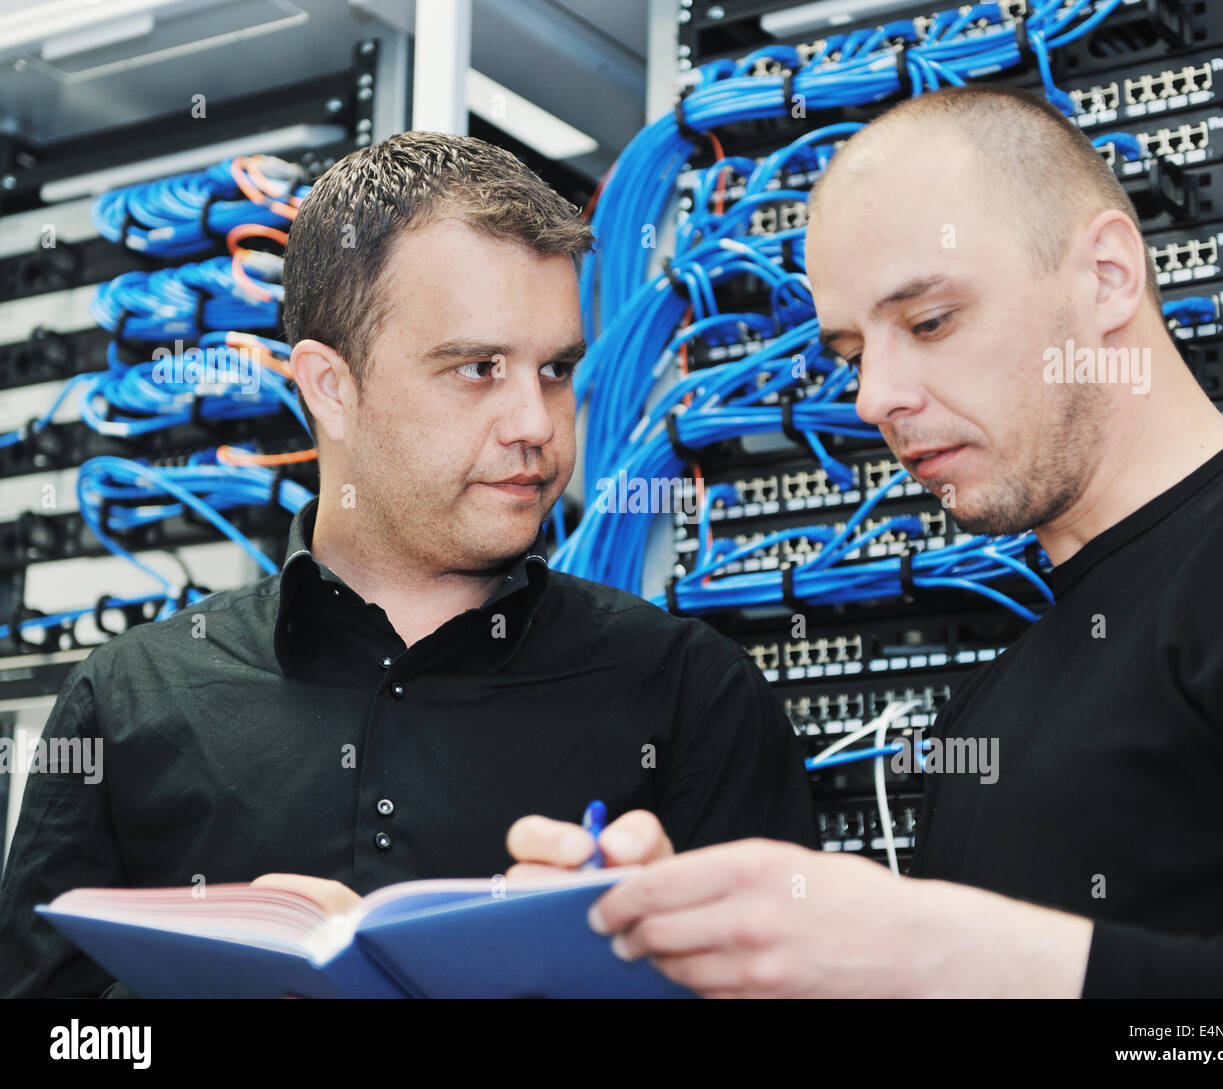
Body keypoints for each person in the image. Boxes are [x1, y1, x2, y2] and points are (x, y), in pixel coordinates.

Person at [507, 86, 1223, 998]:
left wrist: (940, 952)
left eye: (929, 322)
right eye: (851, 354)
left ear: (1109, 276)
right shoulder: (994, 704)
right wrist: (656, 939)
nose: (874, 397)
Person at [0, 132, 819, 998]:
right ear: (330, 388)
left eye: (555, 369)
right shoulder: (131, 700)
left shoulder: (692, 695)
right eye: (477, 368)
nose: (536, 423)